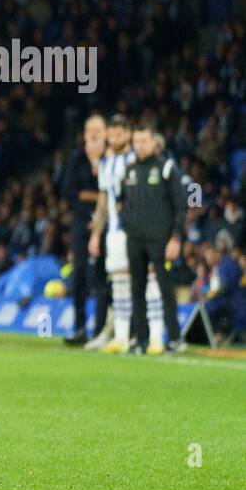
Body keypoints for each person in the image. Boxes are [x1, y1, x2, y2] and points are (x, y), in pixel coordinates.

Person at [117, 122, 187, 354]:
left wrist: (176, 238)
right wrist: (127, 224)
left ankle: (175, 338)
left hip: (161, 240)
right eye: (137, 141)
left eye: (144, 141)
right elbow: (121, 202)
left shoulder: (167, 168)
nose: (140, 146)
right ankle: (141, 339)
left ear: (154, 142)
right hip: (135, 239)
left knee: (166, 288)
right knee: (137, 288)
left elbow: (180, 206)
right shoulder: (129, 170)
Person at [88, 115, 137, 353]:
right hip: (115, 232)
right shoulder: (106, 165)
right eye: (113, 133)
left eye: (121, 132)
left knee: (140, 281)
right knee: (118, 281)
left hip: (138, 230)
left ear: (128, 134)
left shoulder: (136, 159)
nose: (116, 137)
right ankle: (121, 335)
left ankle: (142, 334)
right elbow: (103, 201)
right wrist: (96, 233)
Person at [61, 113, 106, 345]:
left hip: (106, 221)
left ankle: (100, 329)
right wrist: (99, 197)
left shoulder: (111, 159)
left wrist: (95, 200)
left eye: (99, 129)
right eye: (91, 130)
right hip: (81, 221)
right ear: (85, 134)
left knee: (102, 273)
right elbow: (68, 191)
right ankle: (79, 326)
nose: (95, 134)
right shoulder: (77, 158)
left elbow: (115, 193)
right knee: (79, 271)